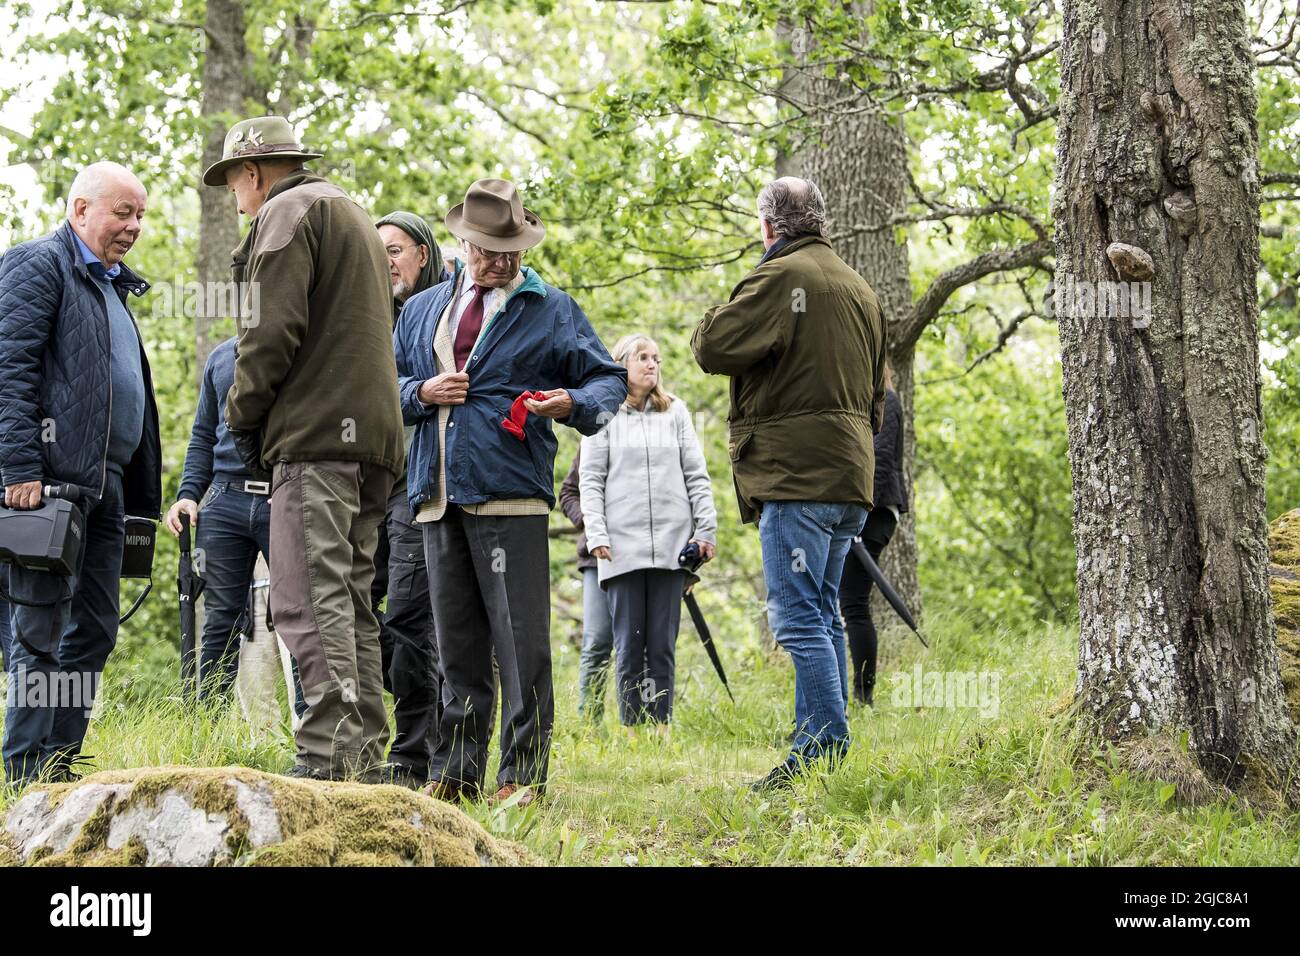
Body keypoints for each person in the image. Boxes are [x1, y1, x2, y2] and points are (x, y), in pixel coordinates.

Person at [394, 178, 627, 806]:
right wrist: (420, 394)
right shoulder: (419, 312)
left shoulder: (552, 308)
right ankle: (456, 772)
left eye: (508, 249)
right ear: (462, 242)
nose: (497, 261)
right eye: (485, 249)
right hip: (435, 494)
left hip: (510, 495)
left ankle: (522, 776)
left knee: (521, 645)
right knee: (456, 644)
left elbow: (611, 381)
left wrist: (572, 402)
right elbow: (380, 389)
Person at [205, 115, 405, 782]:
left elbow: (268, 334)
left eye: (234, 184)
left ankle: (324, 766)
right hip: (371, 443)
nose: (235, 199)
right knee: (349, 603)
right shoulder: (350, 212)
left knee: (306, 601)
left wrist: (241, 416)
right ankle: (362, 768)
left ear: (254, 173)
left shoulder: (285, 214)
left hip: (317, 443)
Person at [691, 176, 885, 791]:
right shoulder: (860, 288)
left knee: (798, 617)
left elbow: (713, 346)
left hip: (796, 474)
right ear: (820, 221)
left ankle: (822, 746)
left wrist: (737, 292)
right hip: (849, 473)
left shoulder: (780, 277)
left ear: (769, 226)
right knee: (823, 610)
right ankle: (814, 737)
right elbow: (878, 397)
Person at [0, 162, 162, 786]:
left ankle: (59, 766)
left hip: (107, 489)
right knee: (39, 629)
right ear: (79, 209)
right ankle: (22, 773)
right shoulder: (37, 265)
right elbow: (9, 371)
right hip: (48, 486)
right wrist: (20, 466)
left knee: (93, 628)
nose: (134, 226)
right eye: (123, 212)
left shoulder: (112, 288)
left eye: (140, 215)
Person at [579, 334, 717, 728]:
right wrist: (597, 534)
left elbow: (697, 475)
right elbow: (590, 481)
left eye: (656, 358)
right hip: (620, 550)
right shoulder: (602, 414)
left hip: (672, 549)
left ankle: (660, 727)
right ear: (621, 363)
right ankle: (633, 729)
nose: (652, 364)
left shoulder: (676, 412)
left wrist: (705, 530)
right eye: (642, 357)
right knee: (628, 646)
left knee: (661, 647)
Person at [370, 210, 448, 786]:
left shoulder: (450, 310)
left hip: (423, 486)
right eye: (378, 252)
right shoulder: (365, 314)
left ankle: (414, 754)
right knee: (346, 612)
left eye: (394, 250)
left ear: (423, 252)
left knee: (408, 617)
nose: (385, 262)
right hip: (362, 485)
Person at [166, 336, 272, 701]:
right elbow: (202, 435)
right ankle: (209, 731)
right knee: (219, 623)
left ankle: (312, 738)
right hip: (224, 498)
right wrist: (188, 496)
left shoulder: (299, 348)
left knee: (297, 616)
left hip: (283, 493)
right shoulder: (219, 357)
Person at [838, 364, 908, 706]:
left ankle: (863, 696)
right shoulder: (858, 401)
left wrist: (857, 509)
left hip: (873, 512)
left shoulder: (887, 401)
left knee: (853, 603)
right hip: (859, 510)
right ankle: (848, 695)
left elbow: (878, 459)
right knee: (847, 602)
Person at [559, 449, 614, 719]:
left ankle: (644, 725)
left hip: (646, 557)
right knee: (598, 640)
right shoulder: (595, 433)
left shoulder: (658, 428)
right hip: (597, 557)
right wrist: (592, 524)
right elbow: (568, 492)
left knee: (644, 643)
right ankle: (590, 723)